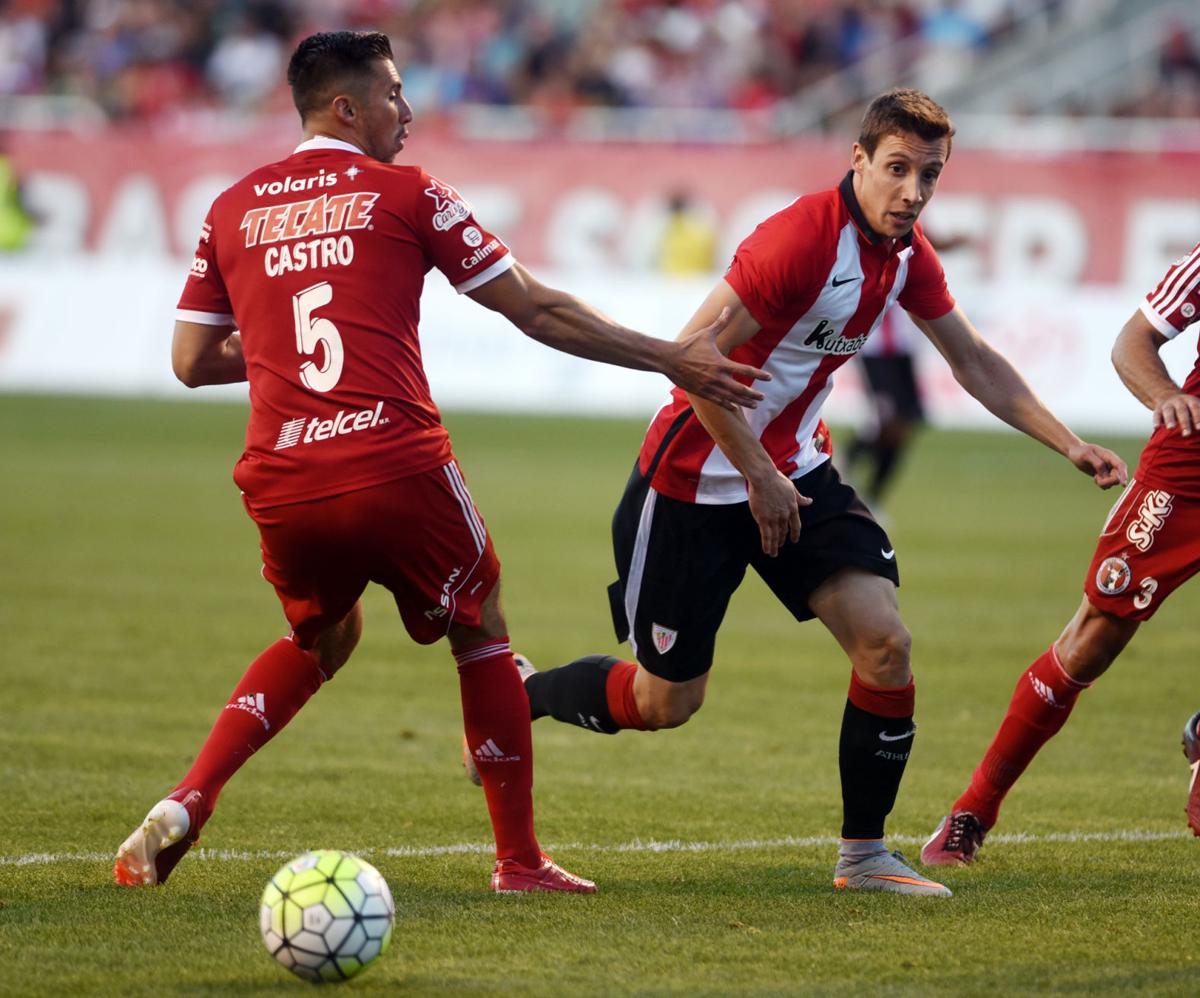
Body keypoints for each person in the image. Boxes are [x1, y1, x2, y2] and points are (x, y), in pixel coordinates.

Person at [112, 30, 770, 895]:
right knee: (482, 622)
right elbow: (535, 309)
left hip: (281, 475)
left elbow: (191, 360)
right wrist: (668, 357)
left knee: (321, 633)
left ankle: (192, 795)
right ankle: (519, 861)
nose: (408, 111)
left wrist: (275, 349)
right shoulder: (408, 193)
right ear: (345, 107)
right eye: (392, 93)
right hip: (392, 460)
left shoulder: (231, 206)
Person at [491, 88, 1127, 897]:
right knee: (664, 702)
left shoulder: (905, 255)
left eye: (929, 175)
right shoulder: (798, 241)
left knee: (885, 641)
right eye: (897, 170)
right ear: (857, 160)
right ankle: (526, 692)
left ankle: (864, 857)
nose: (913, 192)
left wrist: (1066, 441)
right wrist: (756, 475)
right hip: (693, 482)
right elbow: (692, 359)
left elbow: (974, 360)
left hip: (795, 472)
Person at [922, 240, 1200, 865]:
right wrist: (1165, 397)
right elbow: (1132, 343)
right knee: (1093, 638)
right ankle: (973, 808)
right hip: (1190, 470)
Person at [844, 233, 969, 509]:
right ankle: (849, 459)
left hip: (902, 349)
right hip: (874, 348)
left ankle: (873, 497)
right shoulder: (879, 233)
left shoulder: (912, 248)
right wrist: (956, 243)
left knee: (906, 425)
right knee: (890, 423)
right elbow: (930, 241)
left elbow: (927, 245)